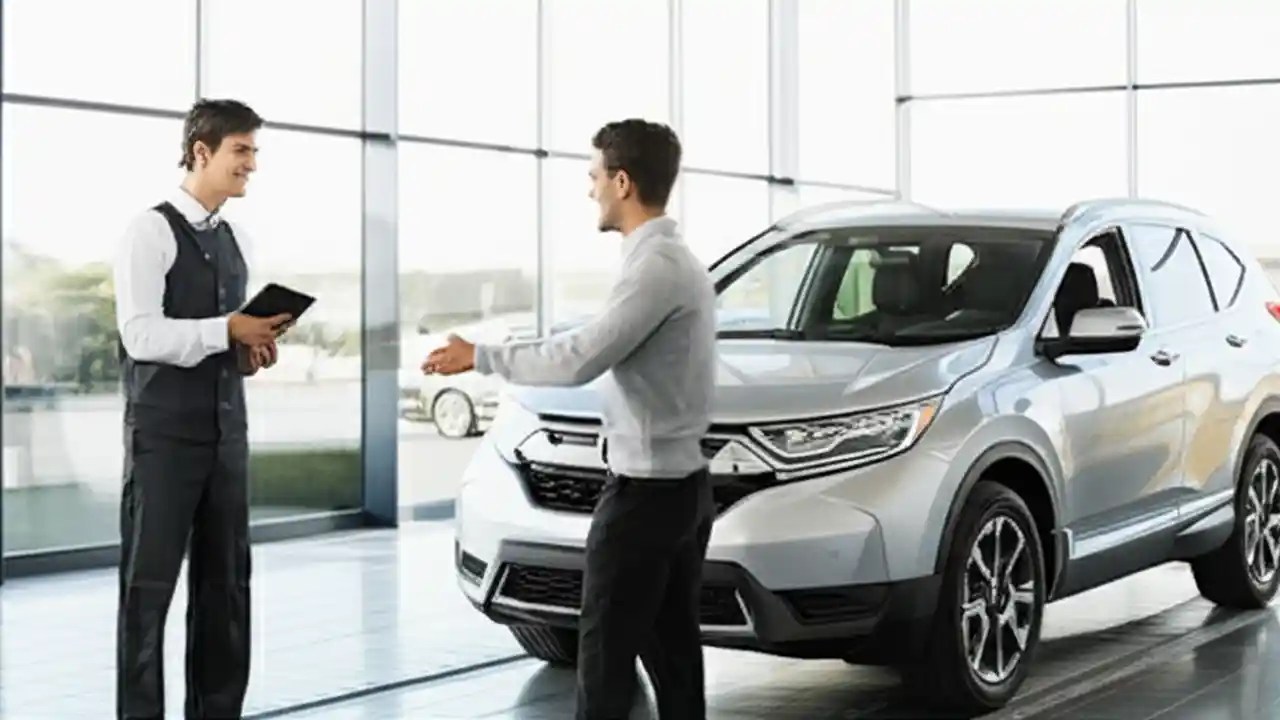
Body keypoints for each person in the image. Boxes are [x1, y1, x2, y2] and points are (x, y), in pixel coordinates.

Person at [424, 119, 717, 719]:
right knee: (673, 654)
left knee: (605, 658)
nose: (591, 190)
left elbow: (582, 356)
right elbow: (589, 342)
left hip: (646, 498)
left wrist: (480, 356)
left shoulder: (656, 267)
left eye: (594, 177)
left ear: (623, 181)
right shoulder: (669, 261)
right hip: (680, 490)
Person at [113, 98, 291, 720]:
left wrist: (250, 348)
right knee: (147, 596)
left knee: (226, 592)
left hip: (225, 439)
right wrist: (227, 330)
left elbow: (225, 340)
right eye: (242, 151)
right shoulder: (149, 231)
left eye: (253, 152)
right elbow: (142, 336)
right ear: (201, 152)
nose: (252, 165)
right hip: (163, 442)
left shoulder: (238, 238)